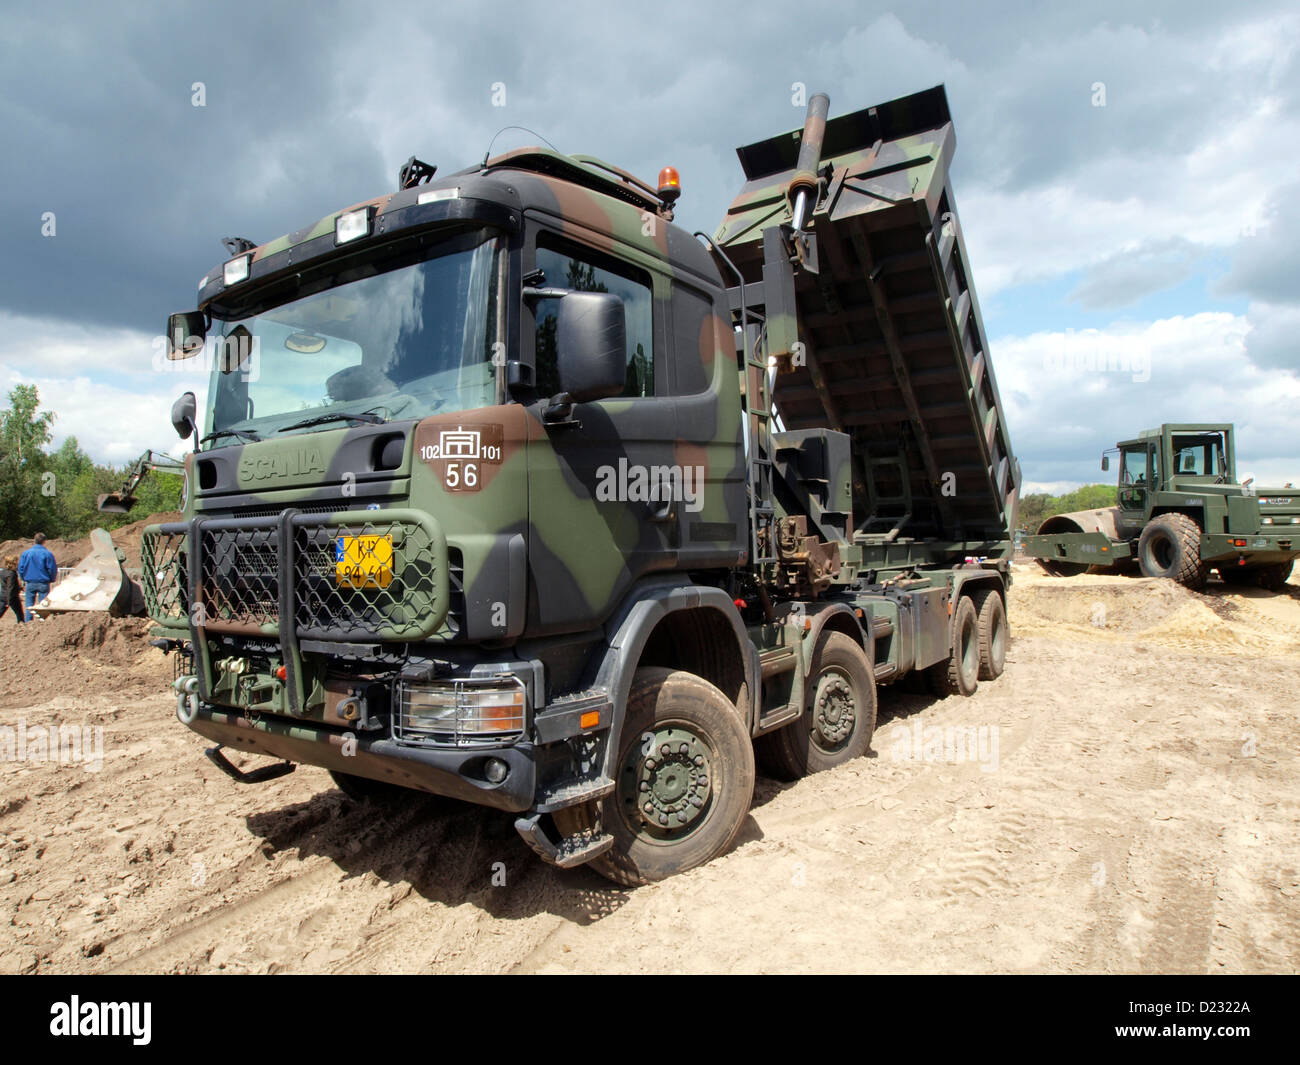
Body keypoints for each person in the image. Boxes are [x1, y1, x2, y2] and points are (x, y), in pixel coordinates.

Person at [18, 533, 58, 617]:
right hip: (43, 582)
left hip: (30, 582)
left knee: (29, 605)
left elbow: (21, 568)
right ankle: (42, 623)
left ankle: (28, 623)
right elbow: (52, 569)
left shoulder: (26, 553)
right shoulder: (48, 554)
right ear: (44, 541)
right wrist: (52, 579)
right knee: (43, 605)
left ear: (34, 540)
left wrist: (23, 578)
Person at [0, 555, 23, 624]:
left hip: (3, 595)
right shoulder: (12, 574)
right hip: (12, 597)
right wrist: (8, 600)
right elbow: (10, 587)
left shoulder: (3, 571)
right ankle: (21, 626)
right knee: (20, 614)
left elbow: (5, 585)